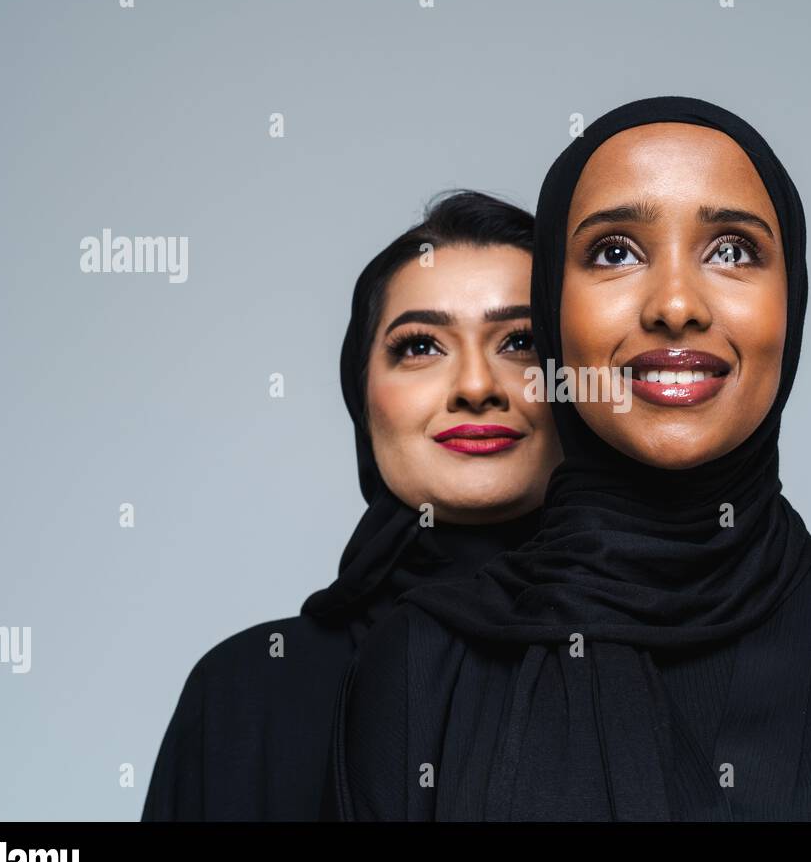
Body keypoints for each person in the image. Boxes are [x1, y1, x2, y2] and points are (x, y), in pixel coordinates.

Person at [323, 98, 811, 821]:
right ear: (552, 310)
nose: (675, 303)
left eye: (732, 250)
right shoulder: (424, 661)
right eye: (615, 251)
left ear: (792, 301)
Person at [141, 190, 564, 820]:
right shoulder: (246, 692)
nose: (477, 387)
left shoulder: (682, 662)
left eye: (521, 342)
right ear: (362, 400)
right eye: (421, 346)